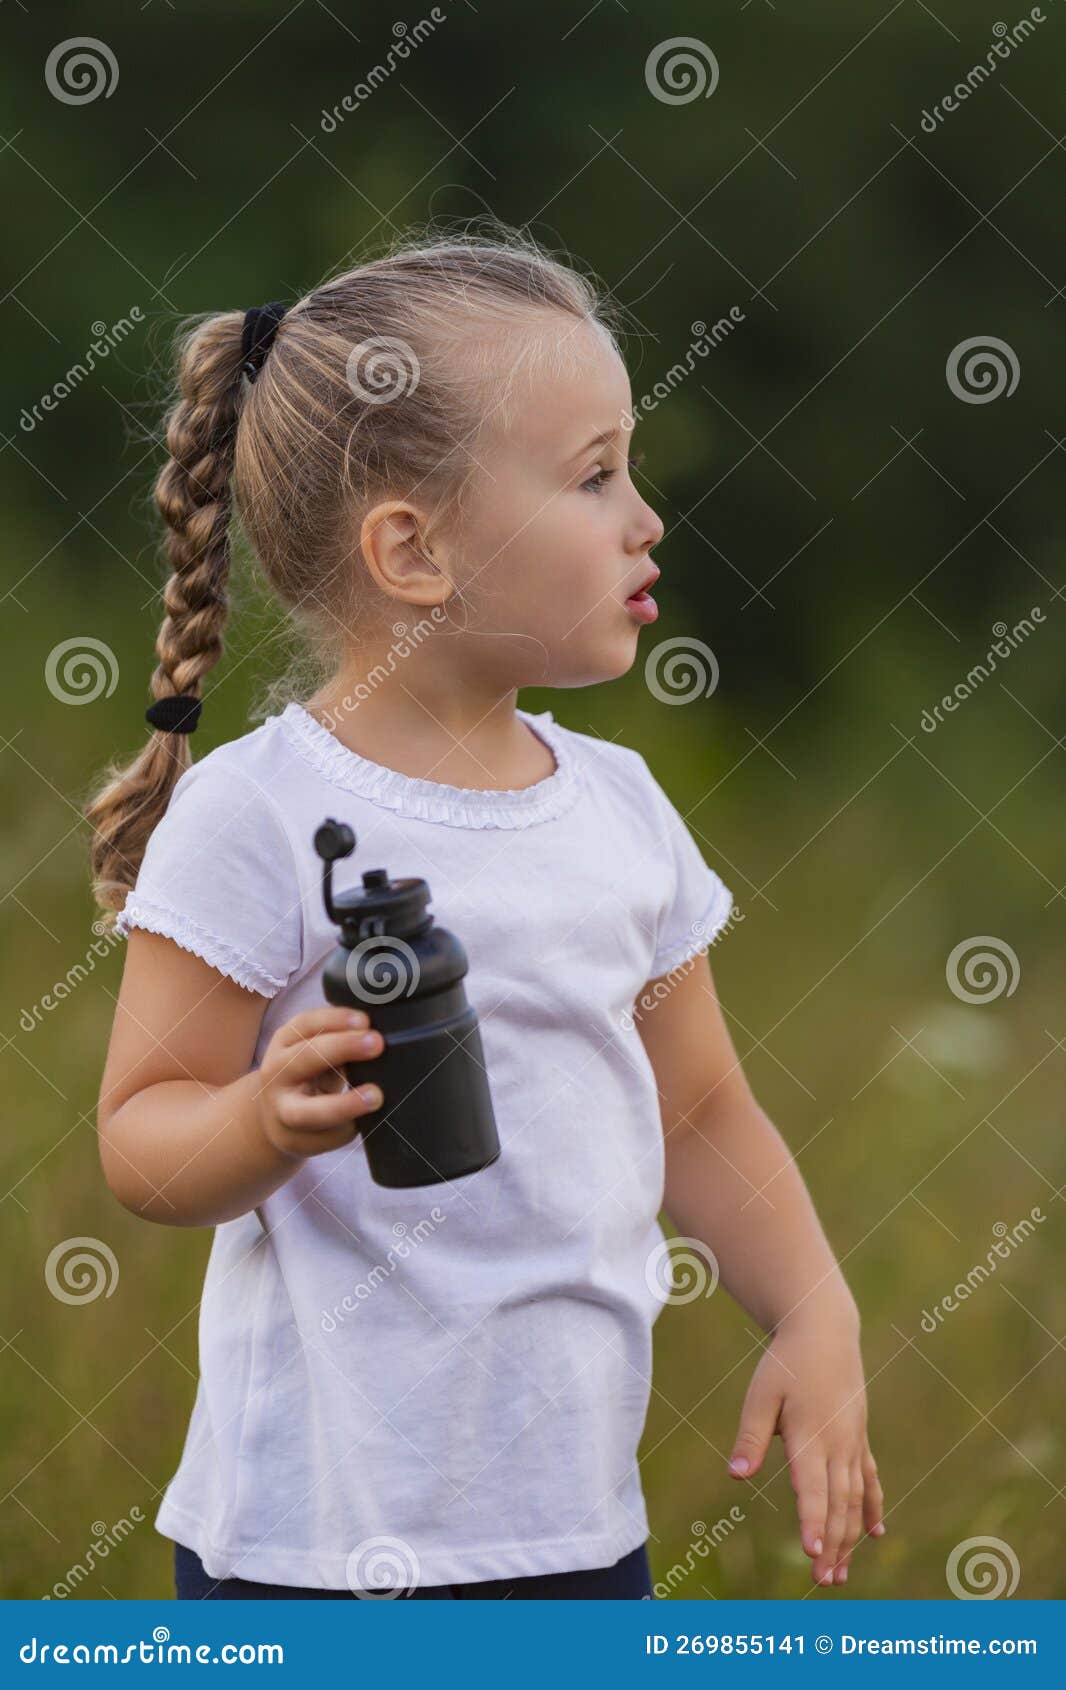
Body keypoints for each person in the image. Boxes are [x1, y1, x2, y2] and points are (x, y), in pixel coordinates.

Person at [85, 228, 884, 1600]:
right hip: (310, 1548)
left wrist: (813, 1310)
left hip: (574, 1534)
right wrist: (258, 1121)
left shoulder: (622, 809)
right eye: (592, 477)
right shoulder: (254, 813)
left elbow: (695, 1112)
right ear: (411, 547)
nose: (644, 518)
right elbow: (139, 1138)